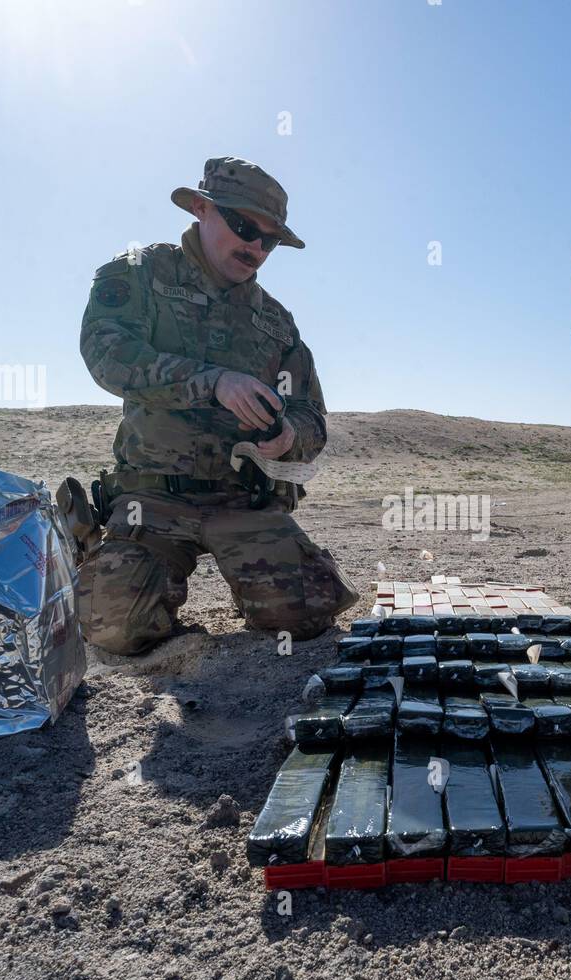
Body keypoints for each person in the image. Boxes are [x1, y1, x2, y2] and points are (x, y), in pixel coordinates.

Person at [77, 156, 358, 655]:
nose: (255, 246)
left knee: (308, 615)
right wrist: (212, 382)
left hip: (243, 499)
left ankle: (286, 565)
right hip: (155, 497)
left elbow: (311, 414)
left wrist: (290, 435)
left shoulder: (275, 321)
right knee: (115, 628)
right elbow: (108, 355)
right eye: (244, 226)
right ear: (202, 209)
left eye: (269, 239)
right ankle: (104, 553)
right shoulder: (139, 273)